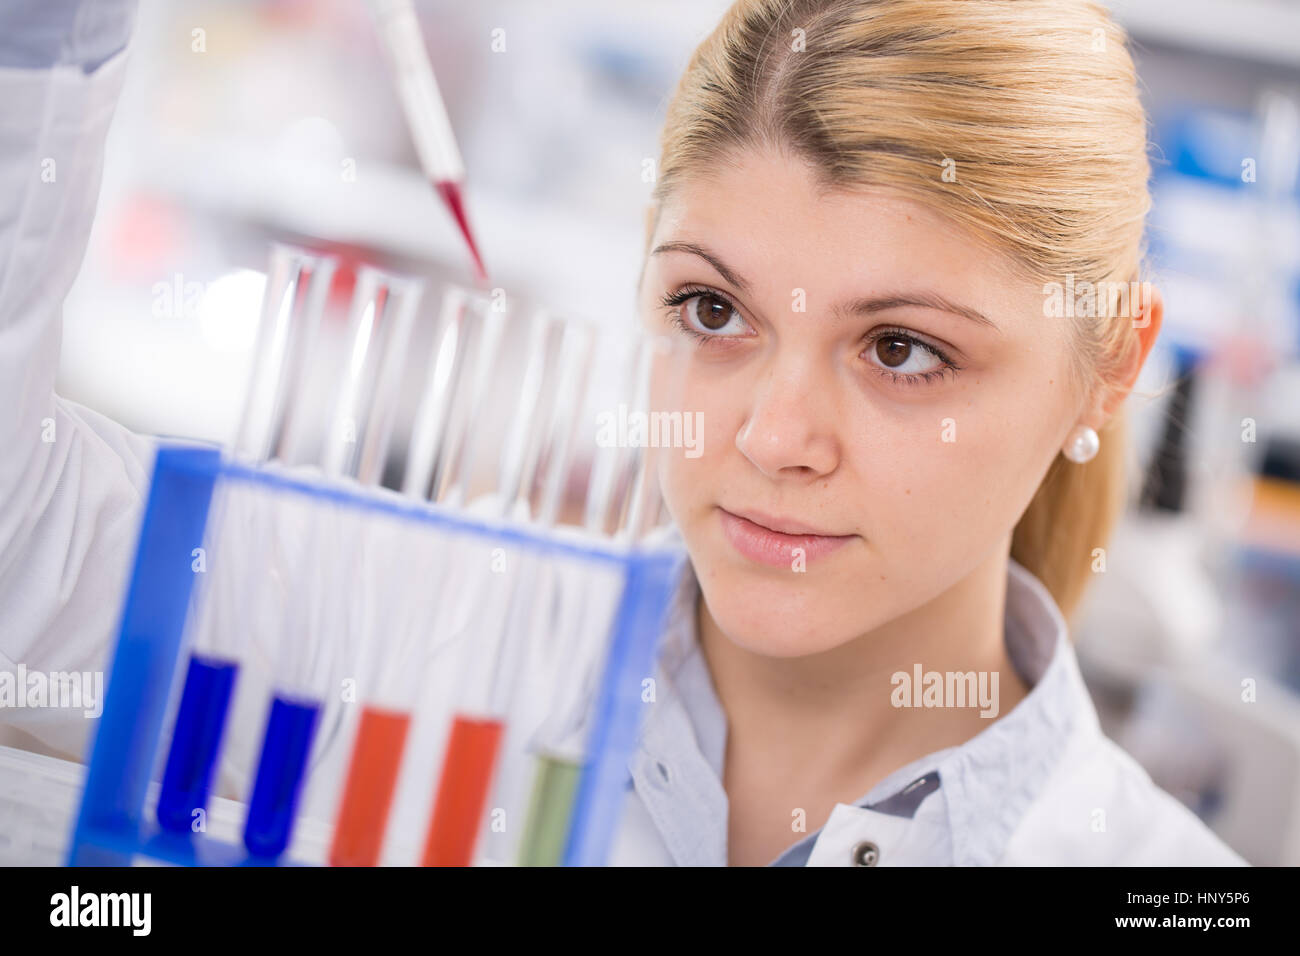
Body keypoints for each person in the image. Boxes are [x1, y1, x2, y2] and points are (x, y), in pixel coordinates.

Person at [0, 0, 1247, 866]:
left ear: (1109, 366)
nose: (774, 434)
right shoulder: (405, 619)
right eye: (713, 310)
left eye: (902, 349)